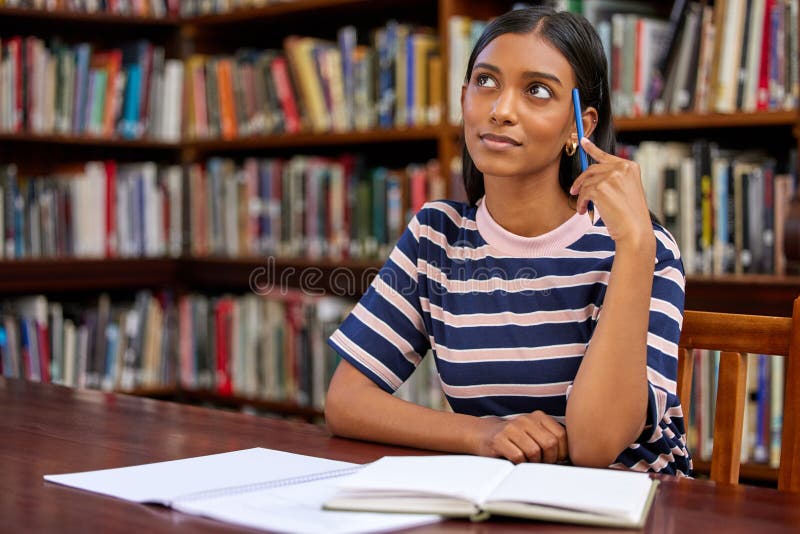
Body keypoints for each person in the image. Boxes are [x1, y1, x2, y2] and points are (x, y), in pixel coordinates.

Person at [325, 6, 691, 476]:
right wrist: (483, 434)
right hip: (500, 500)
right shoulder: (436, 237)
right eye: (486, 82)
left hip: (635, 508)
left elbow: (595, 446)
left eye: (537, 91)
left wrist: (637, 245)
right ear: (463, 100)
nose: (500, 110)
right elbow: (346, 402)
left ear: (579, 127)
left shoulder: (642, 247)